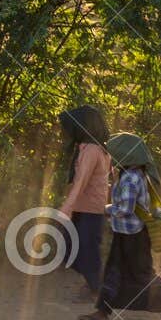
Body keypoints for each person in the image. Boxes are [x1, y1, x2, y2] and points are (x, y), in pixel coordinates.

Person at [79, 133, 161, 320]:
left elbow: (125, 210)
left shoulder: (129, 179)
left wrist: (106, 209)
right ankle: (103, 310)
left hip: (133, 236)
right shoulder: (135, 174)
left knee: (143, 274)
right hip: (127, 234)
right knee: (113, 271)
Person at [57, 105, 110, 300]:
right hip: (85, 207)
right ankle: (95, 285)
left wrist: (66, 208)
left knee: (84, 251)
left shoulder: (92, 149)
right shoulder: (94, 147)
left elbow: (81, 182)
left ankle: (100, 289)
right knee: (71, 249)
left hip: (89, 208)